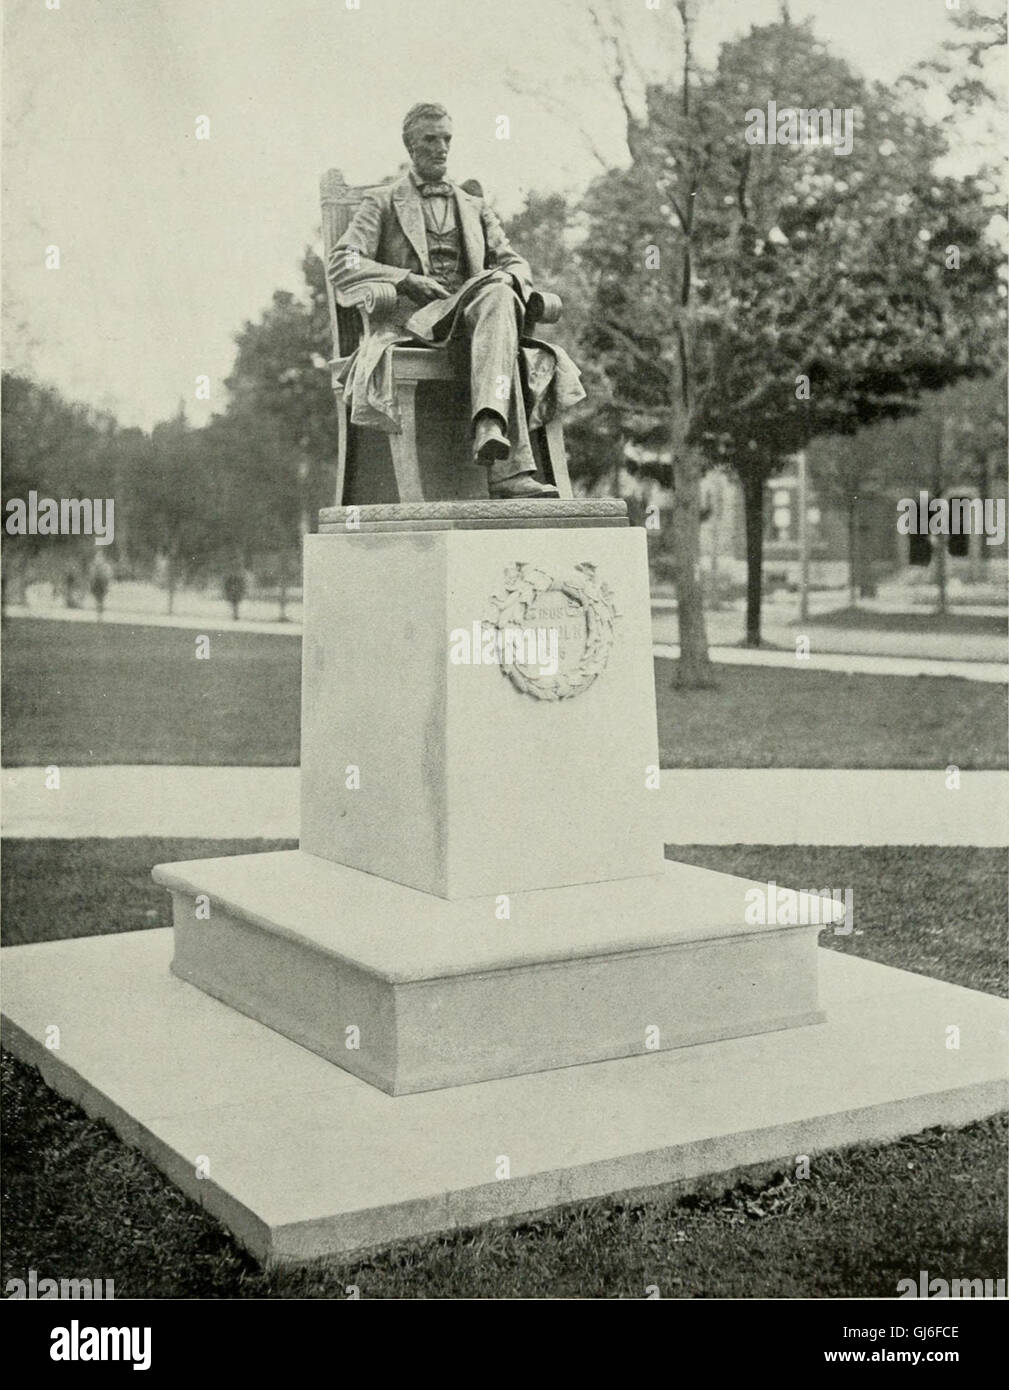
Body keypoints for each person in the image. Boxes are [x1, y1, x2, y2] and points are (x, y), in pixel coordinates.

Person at [328, 102, 584, 499]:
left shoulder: (474, 206)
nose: (441, 148)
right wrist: (406, 279)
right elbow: (343, 262)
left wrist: (511, 282)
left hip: (472, 321)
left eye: (447, 139)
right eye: (430, 140)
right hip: (414, 325)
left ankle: (490, 426)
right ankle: (508, 470)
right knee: (498, 296)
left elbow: (513, 261)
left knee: (500, 289)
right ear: (410, 146)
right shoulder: (381, 202)